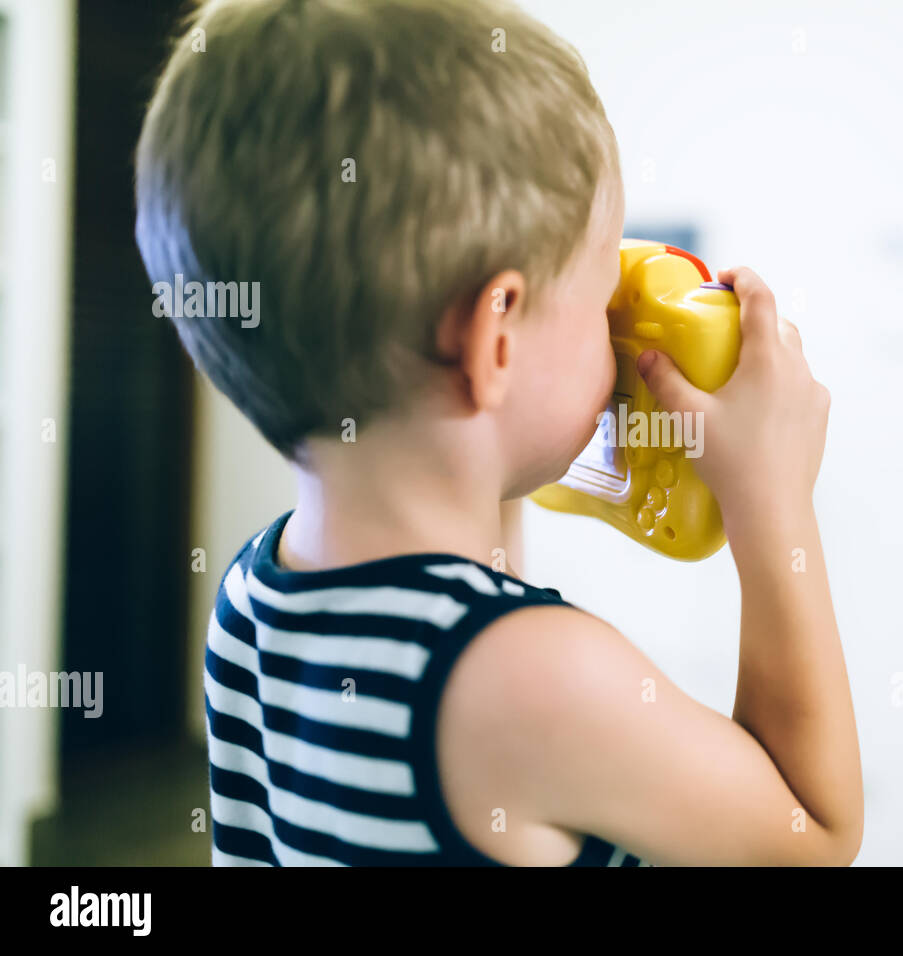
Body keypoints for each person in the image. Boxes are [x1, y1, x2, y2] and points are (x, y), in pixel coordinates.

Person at [133, 0, 861, 866]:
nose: (617, 330)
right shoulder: (541, 680)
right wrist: (771, 505)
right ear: (496, 339)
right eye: (600, 303)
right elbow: (812, 832)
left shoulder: (253, 603)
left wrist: (530, 430)